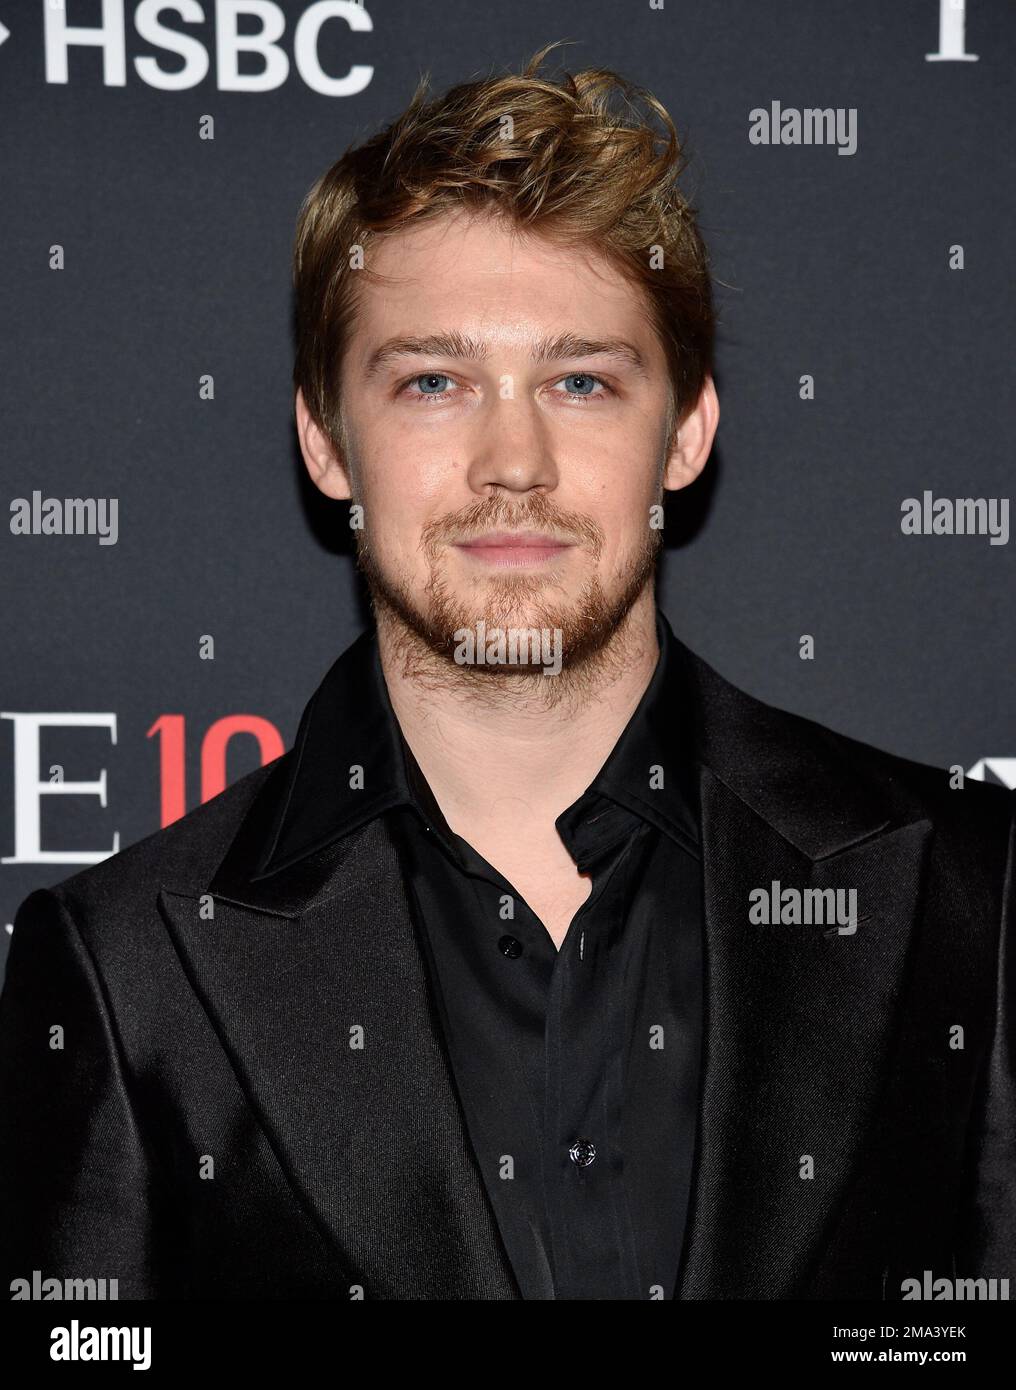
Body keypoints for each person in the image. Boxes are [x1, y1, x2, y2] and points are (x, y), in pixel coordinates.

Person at [1, 45, 1012, 1302]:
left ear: (684, 431)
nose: (512, 460)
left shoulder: (969, 887)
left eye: (579, 380)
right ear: (326, 441)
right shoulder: (128, 965)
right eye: (434, 381)